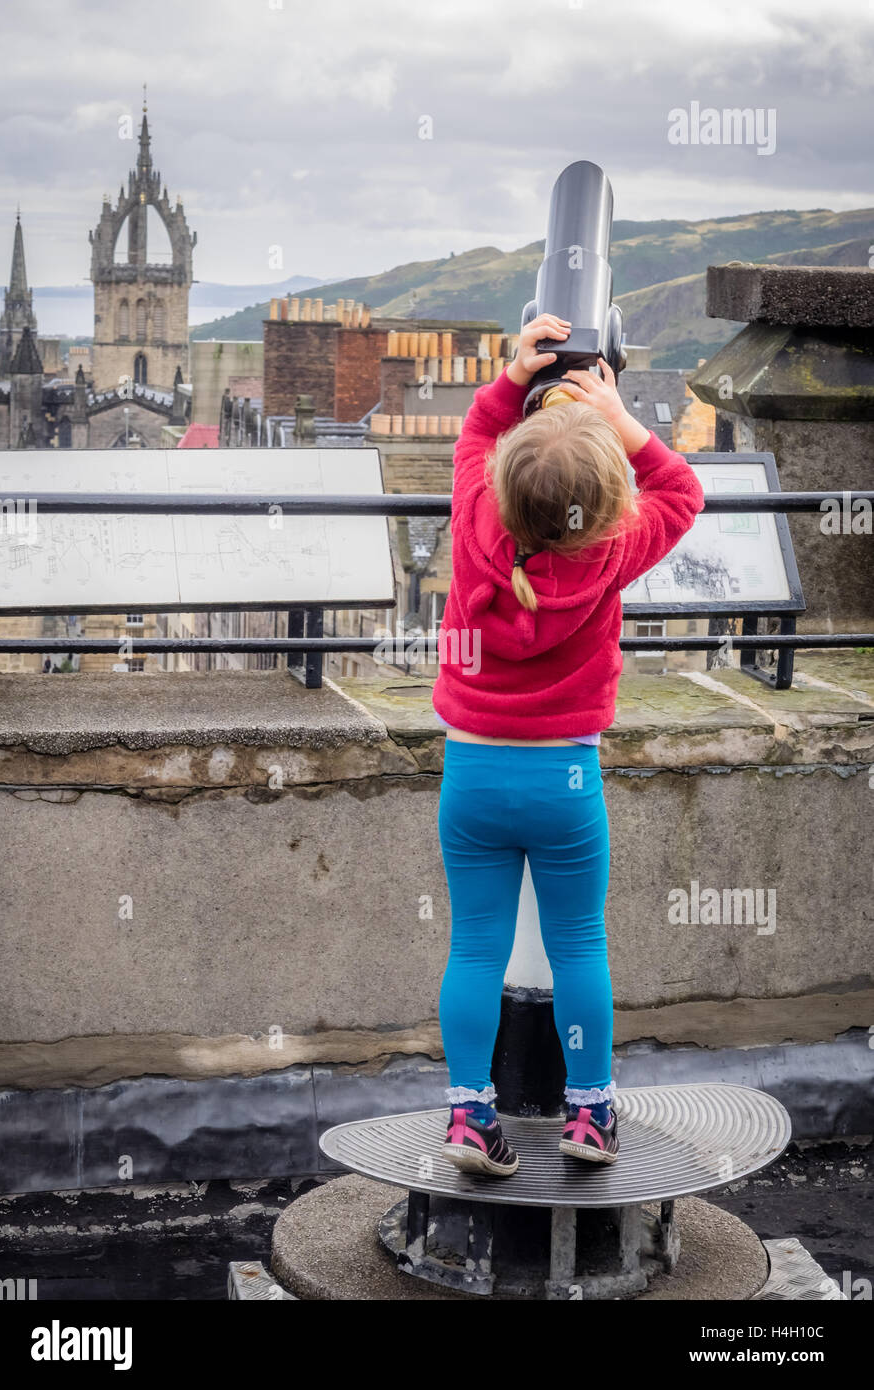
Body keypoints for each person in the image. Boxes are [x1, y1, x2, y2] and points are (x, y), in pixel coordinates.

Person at [433, 312, 705, 1176]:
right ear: (606, 497)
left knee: (474, 946)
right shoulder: (615, 545)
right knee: (578, 943)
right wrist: (619, 418)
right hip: (565, 779)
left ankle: (470, 1116)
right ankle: (589, 1114)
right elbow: (683, 490)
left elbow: (478, 431)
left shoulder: (478, 511)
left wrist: (517, 374)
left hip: (472, 770)